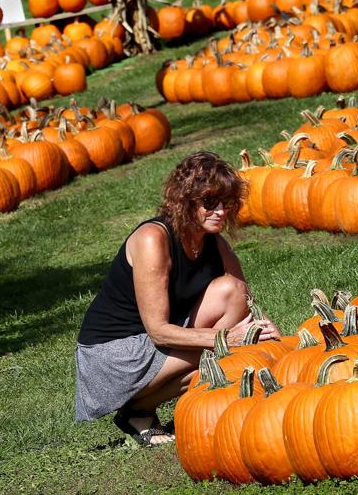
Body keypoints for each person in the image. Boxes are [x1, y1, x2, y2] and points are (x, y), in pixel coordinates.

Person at [74, 151, 280, 447]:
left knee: (232, 292)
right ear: (185, 201)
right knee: (223, 352)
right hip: (114, 355)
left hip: (158, 341)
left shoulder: (214, 242)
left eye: (227, 202)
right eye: (210, 202)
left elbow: (245, 299)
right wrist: (227, 338)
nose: (220, 211)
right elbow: (157, 330)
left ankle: (136, 411)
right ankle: (136, 409)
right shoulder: (152, 239)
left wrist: (264, 330)